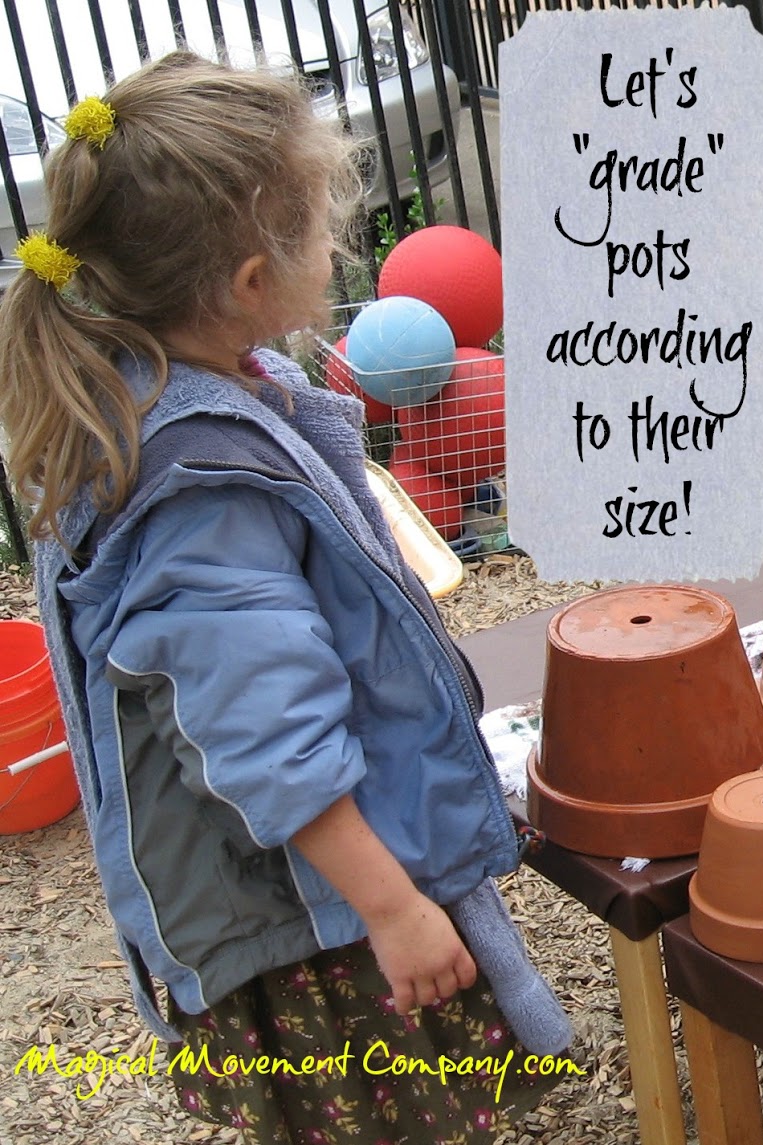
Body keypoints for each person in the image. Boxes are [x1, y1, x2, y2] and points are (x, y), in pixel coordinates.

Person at [0, 53, 571, 1141]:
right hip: (310, 913)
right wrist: (393, 906)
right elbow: (264, 734)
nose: (338, 251)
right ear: (254, 279)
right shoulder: (197, 486)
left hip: (319, 884)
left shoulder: (180, 390)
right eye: (319, 231)